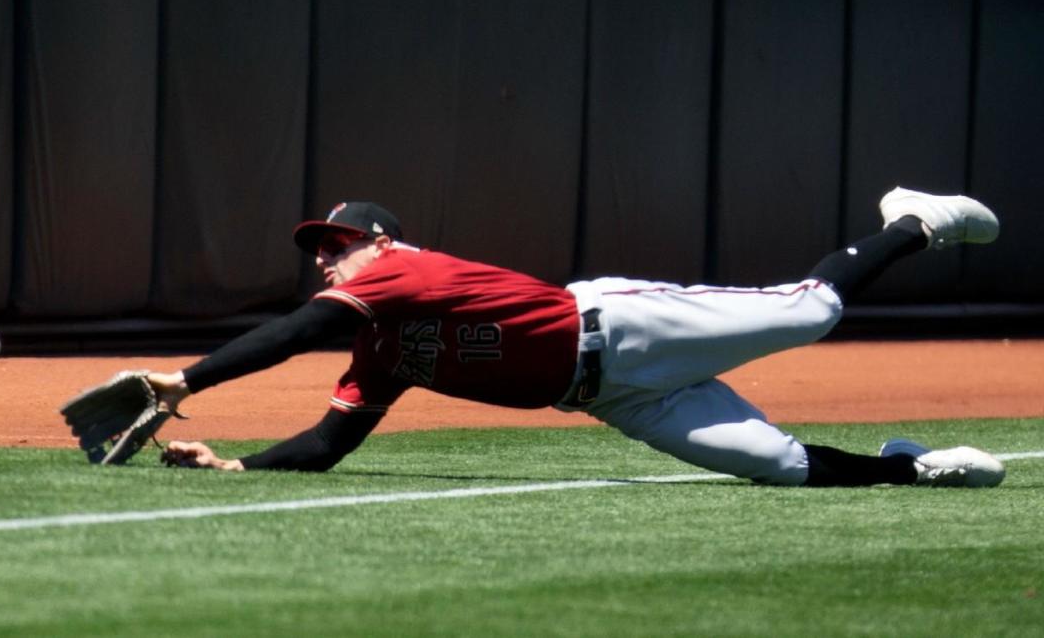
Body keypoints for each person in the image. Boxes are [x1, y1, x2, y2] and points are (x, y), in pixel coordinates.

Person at [148, 188, 1005, 487]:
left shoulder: (400, 270)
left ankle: (913, 224)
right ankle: (912, 466)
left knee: (812, 310)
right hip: (612, 397)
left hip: (623, 324)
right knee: (779, 465)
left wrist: (186, 381)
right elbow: (330, 443)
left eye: (337, 244)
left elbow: (301, 329)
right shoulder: (380, 345)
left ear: (382, 244)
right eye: (320, 252)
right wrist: (237, 464)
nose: (327, 260)